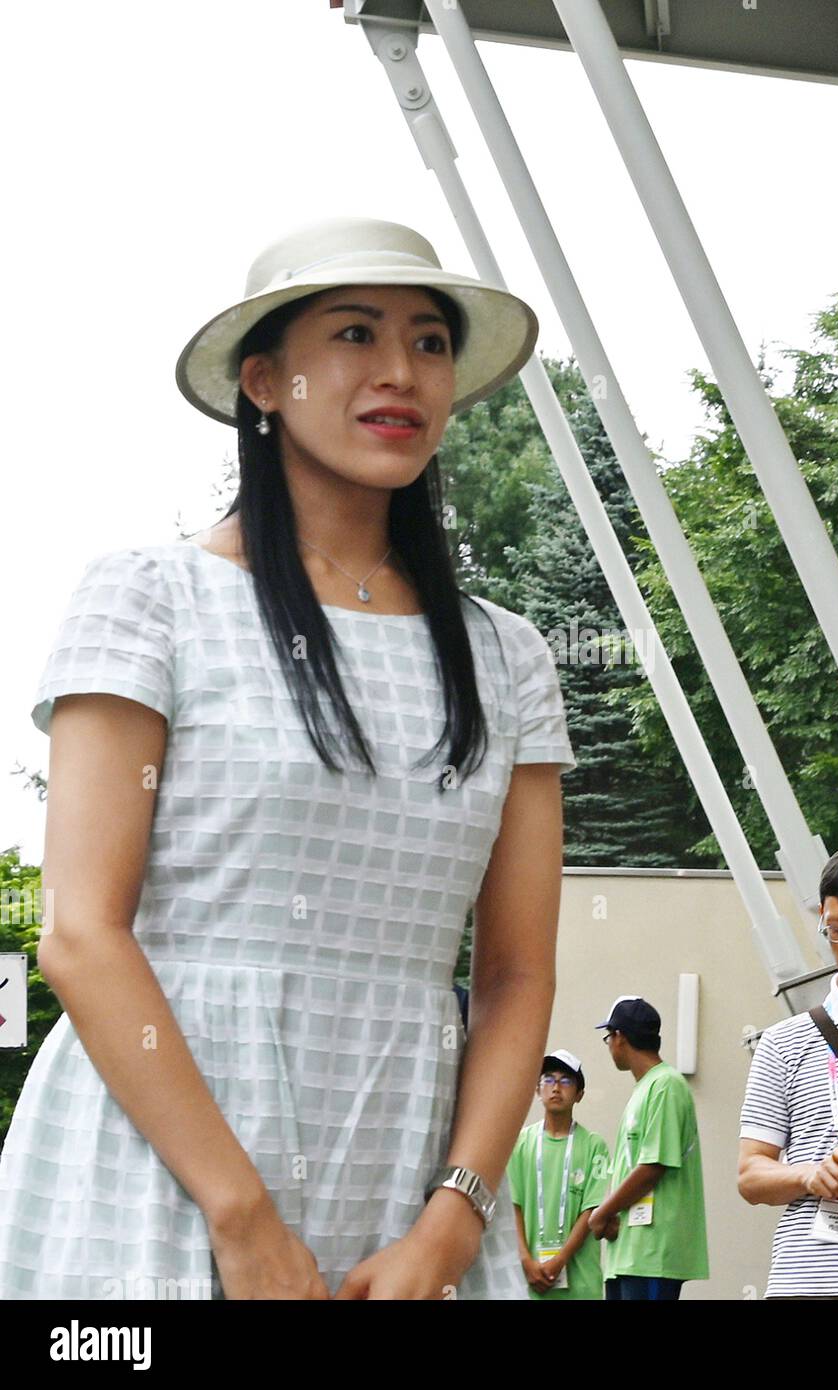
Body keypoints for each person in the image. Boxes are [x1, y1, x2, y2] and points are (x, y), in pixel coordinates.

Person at [0, 216, 577, 1300]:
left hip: (404, 1187)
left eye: (430, 342)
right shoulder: (150, 599)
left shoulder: (508, 659)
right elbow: (80, 933)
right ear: (263, 380)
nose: (399, 371)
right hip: (158, 1182)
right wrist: (244, 1217)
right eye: (354, 334)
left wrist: (450, 1226)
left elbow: (513, 976)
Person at [737, 849, 838, 1300]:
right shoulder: (782, 1042)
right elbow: (750, 1176)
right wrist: (809, 1176)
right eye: (837, 931)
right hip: (800, 1282)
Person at [587, 996, 709, 1300]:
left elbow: (654, 1166)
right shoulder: (645, 1088)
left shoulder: (666, 1085)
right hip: (629, 1251)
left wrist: (603, 1213)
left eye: (608, 1037)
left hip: (653, 1253)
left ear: (619, 1037)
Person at [506, 1048, 611, 1300]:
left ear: (579, 1094)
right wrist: (524, 1259)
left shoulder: (594, 1145)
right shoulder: (520, 1143)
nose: (556, 1088)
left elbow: (591, 1212)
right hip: (529, 1280)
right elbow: (512, 1207)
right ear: (537, 1089)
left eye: (566, 1081)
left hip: (580, 1286)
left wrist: (559, 1259)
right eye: (549, 1079)